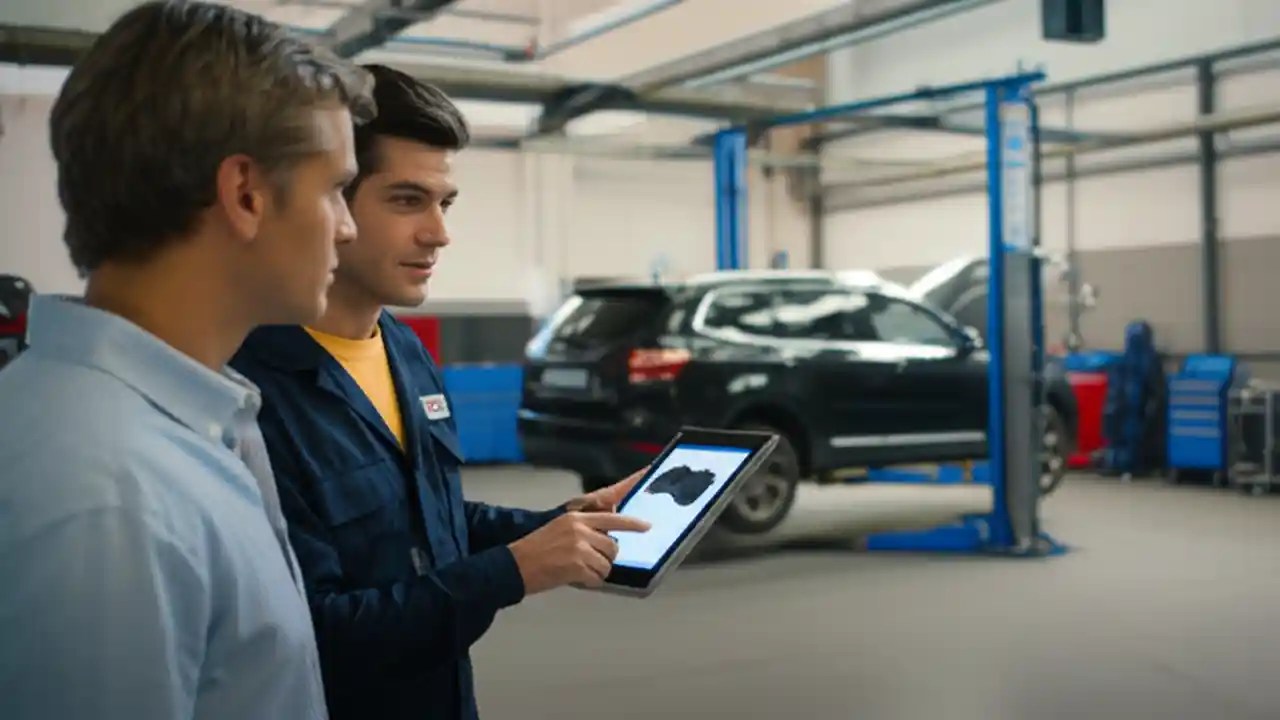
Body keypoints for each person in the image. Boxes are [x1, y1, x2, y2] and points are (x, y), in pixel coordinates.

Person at [229, 64, 650, 720]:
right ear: (334, 198)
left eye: (443, 203)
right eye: (405, 200)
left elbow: (427, 515)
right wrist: (513, 571)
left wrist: (564, 524)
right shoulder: (249, 387)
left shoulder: (403, 350)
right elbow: (316, 637)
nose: (438, 232)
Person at [0, 2, 374, 718]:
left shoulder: (183, 426)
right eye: (334, 189)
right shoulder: (103, 495)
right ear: (245, 195)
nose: (348, 228)